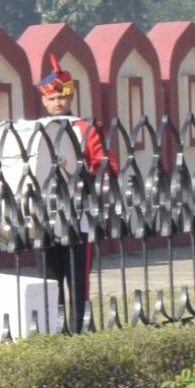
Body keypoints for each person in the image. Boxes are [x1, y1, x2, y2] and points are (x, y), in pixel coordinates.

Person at [33, 68, 115, 334]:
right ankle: (54, 334)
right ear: (44, 100)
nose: (57, 102)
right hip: (44, 216)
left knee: (78, 282)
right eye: (52, 98)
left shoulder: (86, 128)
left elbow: (106, 166)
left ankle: (81, 331)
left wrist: (85, 179)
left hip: (79, 216)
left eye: (62, 97)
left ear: (70, 97)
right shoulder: (34, 131)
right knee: (49, 281)